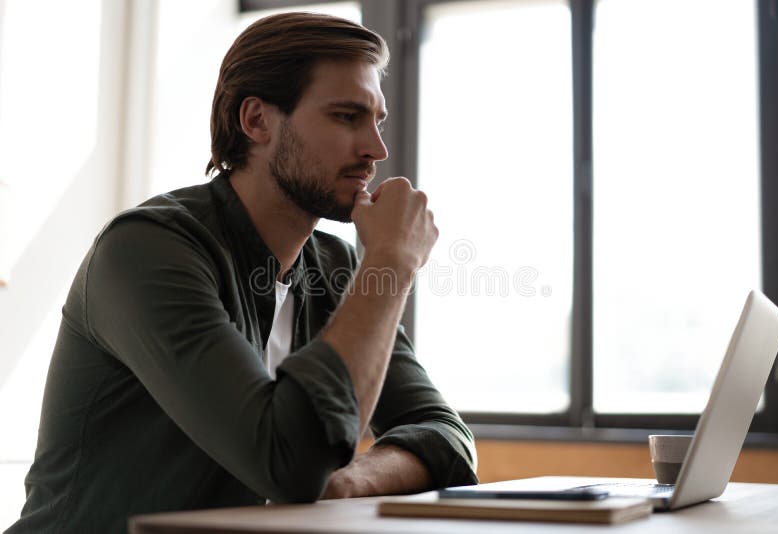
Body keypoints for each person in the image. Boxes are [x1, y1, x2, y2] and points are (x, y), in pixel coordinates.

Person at [6, 12, 478, 534]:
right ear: (255, 121)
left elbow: (447, 438)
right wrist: (390, 263)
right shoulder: (147, 250)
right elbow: (289, 463)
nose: (376, 149)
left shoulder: (335, 267)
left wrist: (352, 480)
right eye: (347, 117)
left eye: (377, 121)